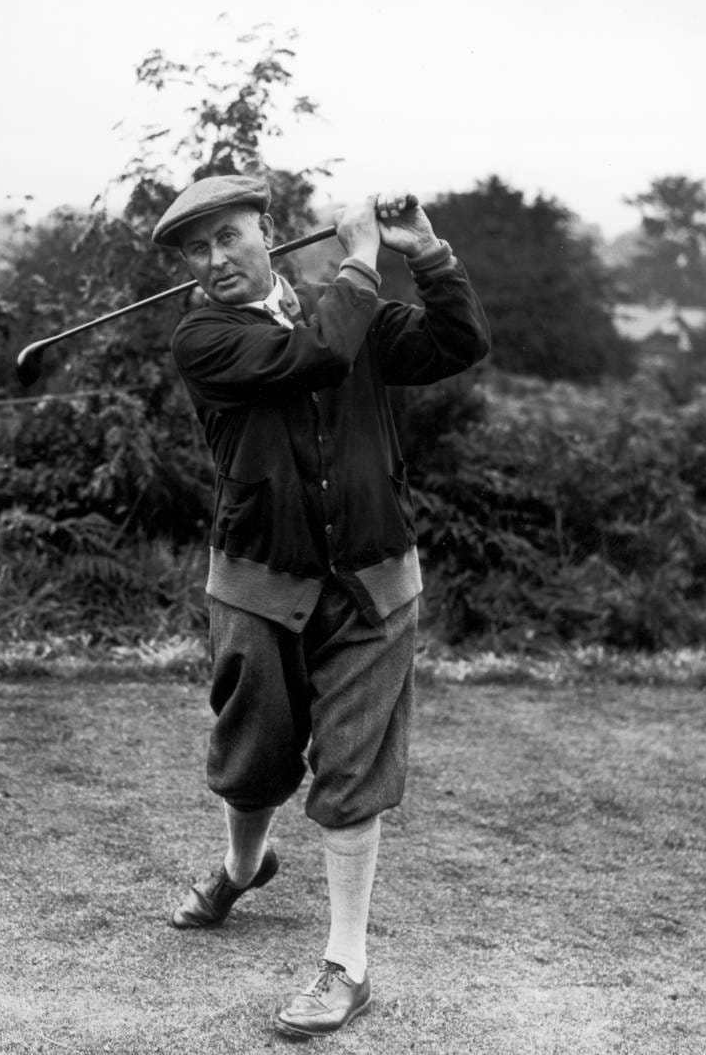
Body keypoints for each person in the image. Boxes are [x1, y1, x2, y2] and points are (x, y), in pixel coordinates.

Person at [152, 174, 490, 1038]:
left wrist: (425, 251)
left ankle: (346, 963)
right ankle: (242, 865)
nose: (214, 260)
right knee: (253, 755)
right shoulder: (205, 337)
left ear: (266, 230)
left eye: (228, 237)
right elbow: (320, 355)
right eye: (196, 249)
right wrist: (363, 262)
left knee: (353, 770)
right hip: (261, 583)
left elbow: (461, 342)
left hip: (374, 582)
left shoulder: (353, 305)